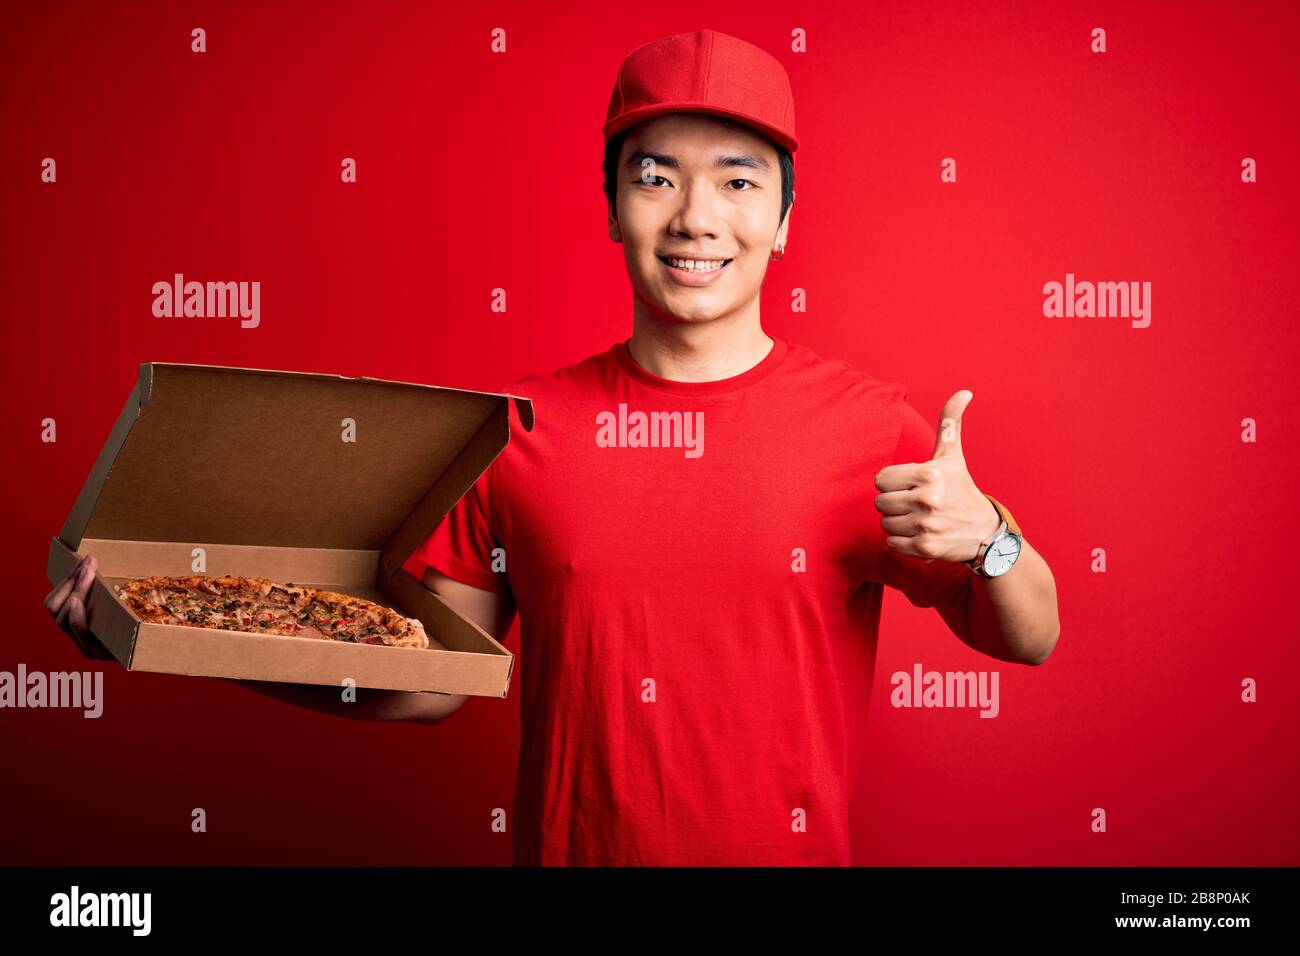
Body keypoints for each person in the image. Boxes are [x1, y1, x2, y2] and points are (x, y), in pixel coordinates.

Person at [47, 29, 1060, 866]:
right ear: (613, 204)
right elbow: (431, 677)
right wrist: (172, 634)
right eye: (656, 176)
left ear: (786, 217)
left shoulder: (869, 425)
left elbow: (1029, 635)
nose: (696, 217)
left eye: (739, 182)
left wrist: (992, 543)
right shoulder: (515, 428)